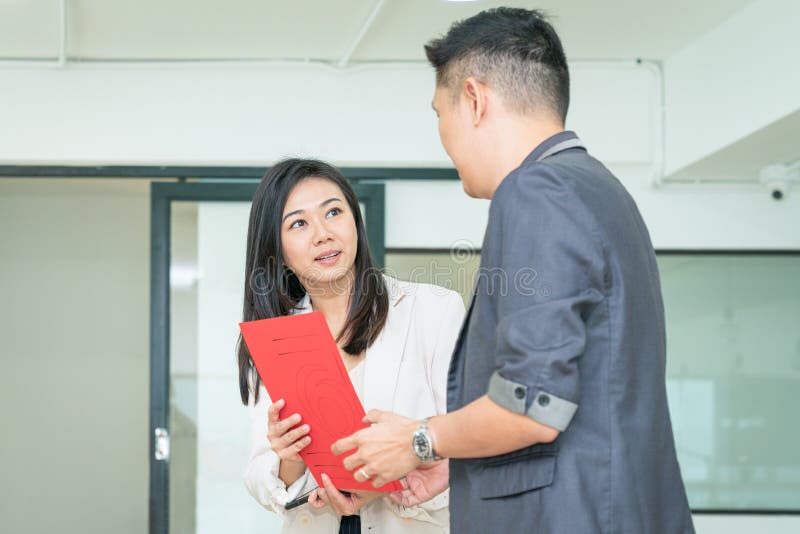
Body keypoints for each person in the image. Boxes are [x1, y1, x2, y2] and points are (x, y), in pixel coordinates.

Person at [331, 8, 695, 534]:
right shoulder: (602, 191)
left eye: (439, 112)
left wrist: (417, 439)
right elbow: (584, 397)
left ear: (474, 100)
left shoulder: (535, 192)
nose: (442, 137)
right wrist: (456, 461)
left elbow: (532, 405)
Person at [237, 158, 464, 533]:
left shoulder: (434, 312)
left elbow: (470, 444)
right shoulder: (273, 338)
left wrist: (393, 477)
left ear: (355, 223)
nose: (322, 233)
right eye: (298, 223)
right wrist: (289, 457)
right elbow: (261, 478)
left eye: (333, 212)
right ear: (276, 250)